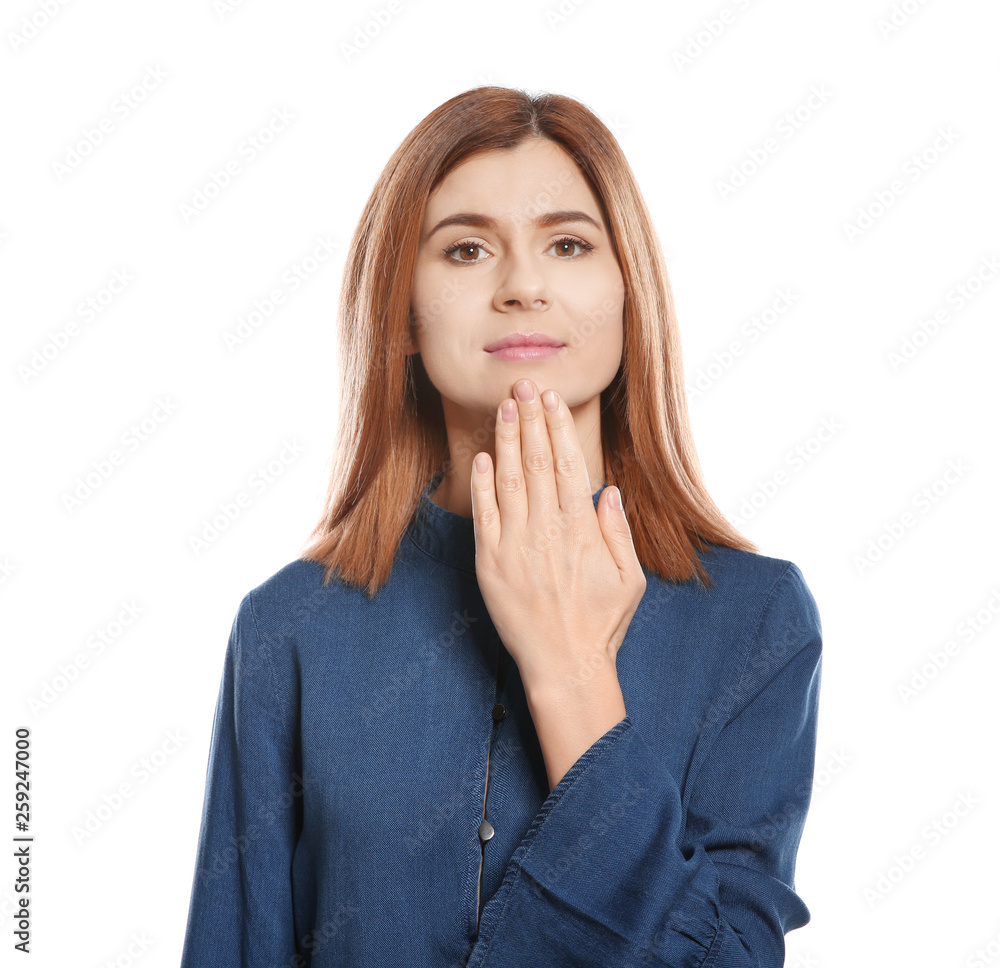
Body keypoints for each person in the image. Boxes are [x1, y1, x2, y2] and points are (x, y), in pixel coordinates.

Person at [178, 85, 823, 968]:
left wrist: (572, 675)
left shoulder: (756, 619)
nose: (523, 285)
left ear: (630, 296)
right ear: (401, 313)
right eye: (467, 249)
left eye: (567, 243)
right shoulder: (290, 627)